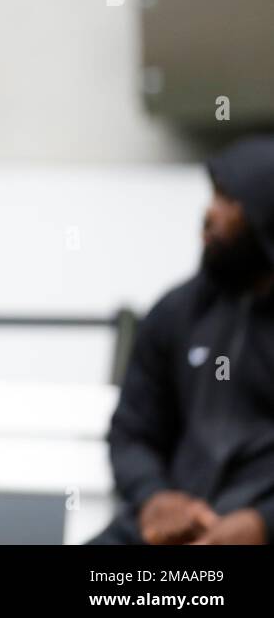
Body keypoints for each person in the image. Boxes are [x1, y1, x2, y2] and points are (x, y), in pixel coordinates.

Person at [88, 135, 274, 545]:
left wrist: (262, 524)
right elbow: (133, 431)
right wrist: (155, 497)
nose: (210, 214)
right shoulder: (179, 312)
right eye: (213, 197)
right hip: (173, 531)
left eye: (230, 202)